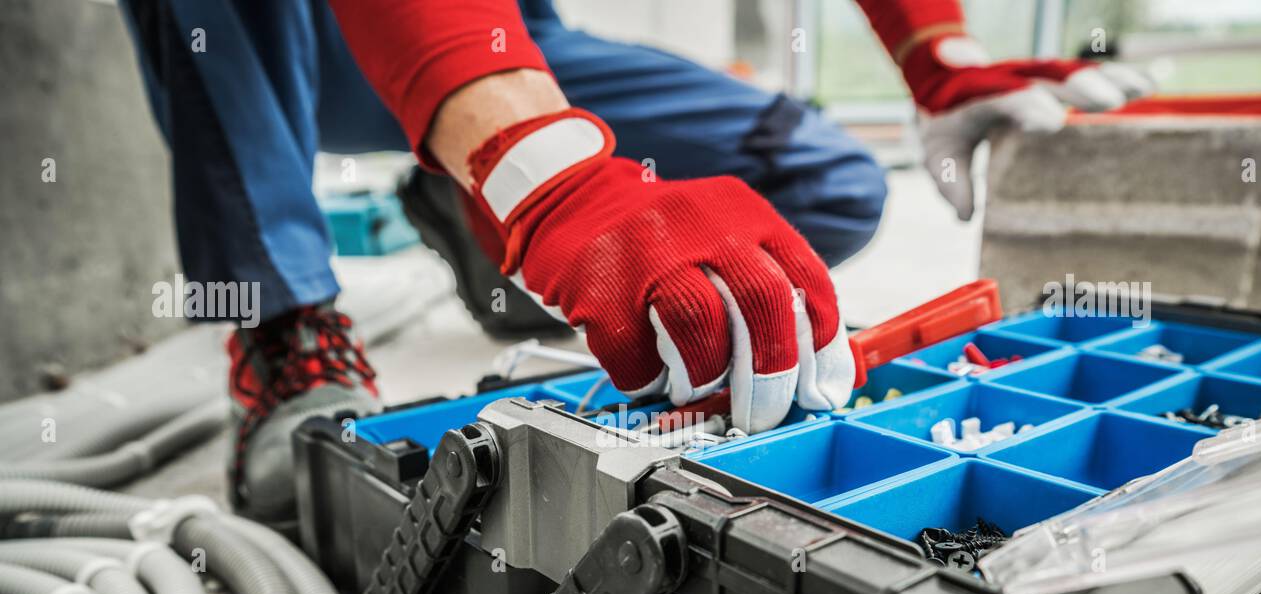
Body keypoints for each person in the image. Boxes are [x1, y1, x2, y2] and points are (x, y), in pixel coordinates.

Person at [121, 0, 1150, 527]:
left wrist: (938, 55)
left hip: (502, 29)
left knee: (832, 180)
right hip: (304, 38)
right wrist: (544, 171)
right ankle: (285, 322)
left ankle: (484, 210)